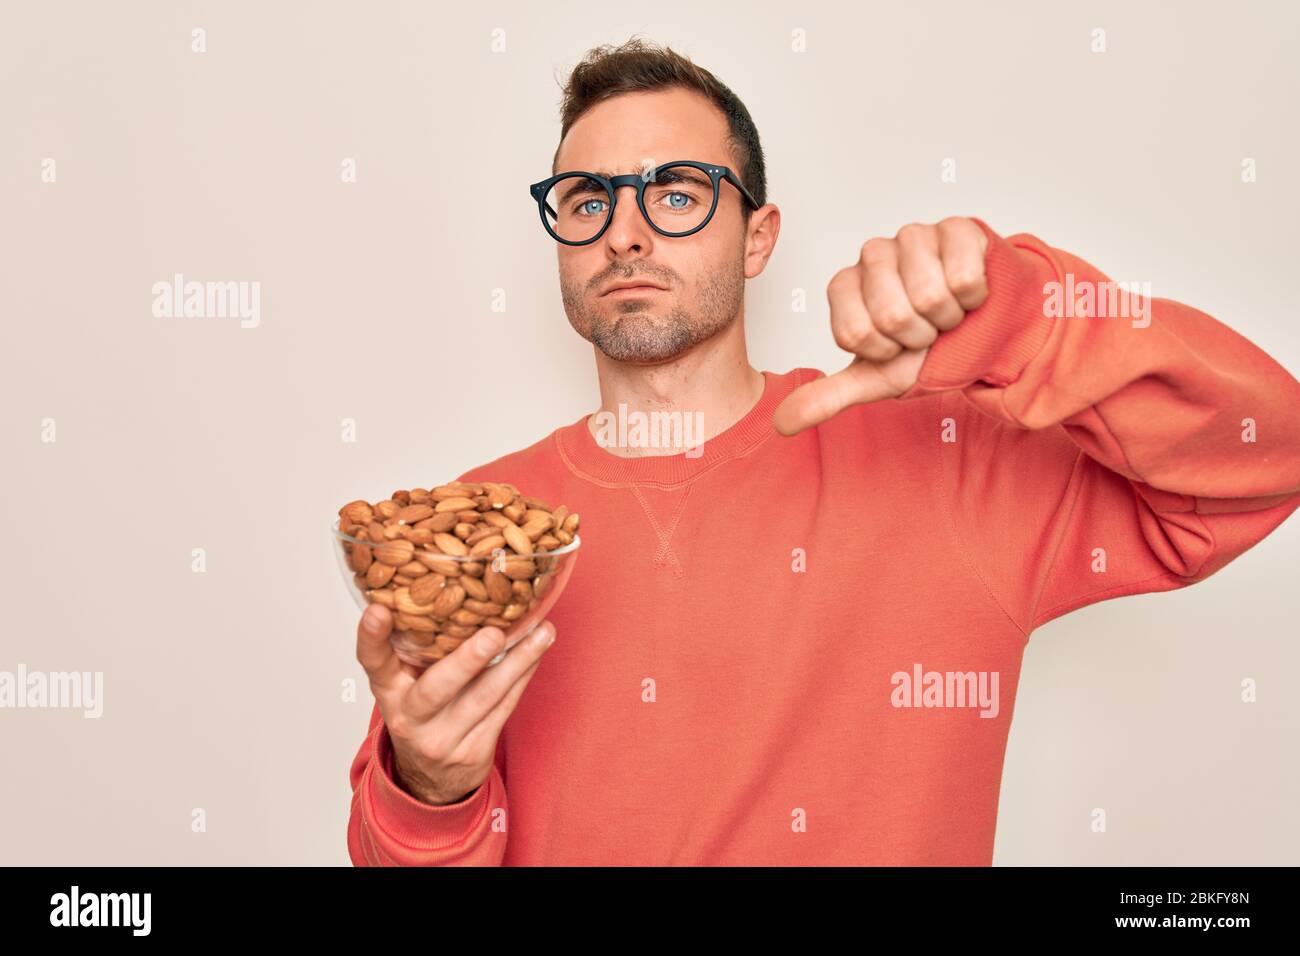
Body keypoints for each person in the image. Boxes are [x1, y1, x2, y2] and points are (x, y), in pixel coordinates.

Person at [347, 38, 1300, 865]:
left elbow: (1267, 457)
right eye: (586, 200)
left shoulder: (943, 462)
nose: (625, 233)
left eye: (676, 192)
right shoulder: (481, 527)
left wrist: (1027, 321)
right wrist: (431, 788)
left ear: (758, 237)